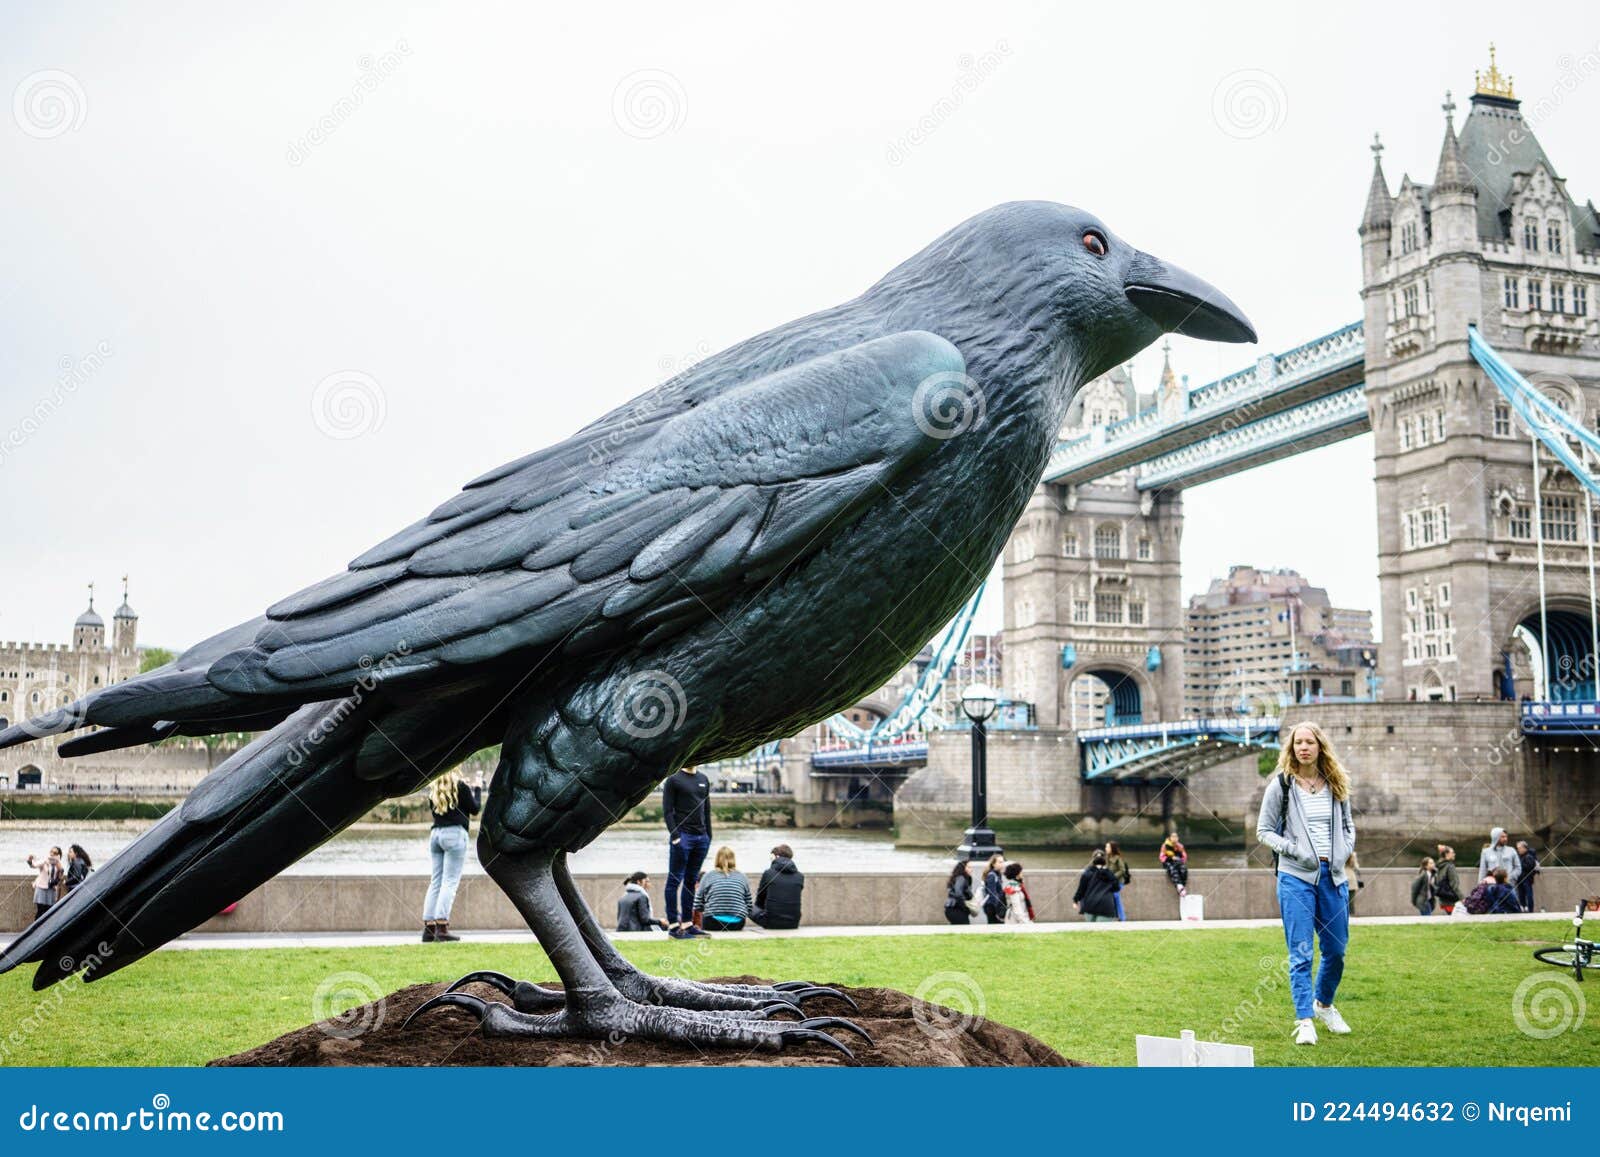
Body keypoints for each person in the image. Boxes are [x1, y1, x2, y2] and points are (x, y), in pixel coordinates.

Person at [1255, 720, 1356, 1047]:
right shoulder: (1281, 785)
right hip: (1295, 877)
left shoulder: (1335, 783)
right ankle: (1304, 1020)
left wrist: (1343, 852)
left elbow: (1349, 827)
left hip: (1333, 876)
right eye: (1298, 742)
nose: (1303, 747)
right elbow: (1264, 831)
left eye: (1309, 742)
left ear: (1319, 746)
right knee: (1300, 953)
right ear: (1291, 748)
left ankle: (1323, 1005)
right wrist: (1293, 850)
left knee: (1336, 950)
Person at [422, 771, 479, 942]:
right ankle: (442, 926)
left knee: (436, 881)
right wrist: (476, 788)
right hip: (454, 834)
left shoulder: (434, 788)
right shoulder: (461, 786)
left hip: (436, 835)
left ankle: (429, 928)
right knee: (450, 881)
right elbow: (475, 809)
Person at [662, 765, 714, 939]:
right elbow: (667, 810)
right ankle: (674, 926)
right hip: (683, 837)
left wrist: (709, 836)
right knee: (674, 880)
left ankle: (688, 924)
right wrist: (676, 836)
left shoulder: (704, 779)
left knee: (691, 881)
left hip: (701, 838)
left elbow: (707, 810)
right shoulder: (673, 779)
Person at [694, 846, 753, 931]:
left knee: (705, 915)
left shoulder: (708, 876)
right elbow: (749, 906)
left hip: (712, 922)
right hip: (737, 923)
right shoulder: (742, 876)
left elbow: (697, 904)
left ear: (717, 859)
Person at [751, 844, 804, 929]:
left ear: (776, 857)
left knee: (747, 905)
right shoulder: (800, 876)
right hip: (793, 923)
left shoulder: (768, 873)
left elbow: (760, 899)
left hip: (771, 923)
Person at [1073, 849, 1119, 922]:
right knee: (1102, 930)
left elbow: (1081, 890)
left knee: (1091, 930)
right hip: (1106, 905)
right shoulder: (1109, 874)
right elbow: (1116, 888)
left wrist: (1075, 900)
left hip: (1089, 904)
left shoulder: (1087, 873)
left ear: (1092, 860)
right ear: (1104, 860)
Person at [25, 848, 63, 921]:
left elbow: (60, 875)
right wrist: (30, 860)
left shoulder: (58, 864)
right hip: (41, 888)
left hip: (51, 889)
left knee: (49, 911)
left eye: (55, 853)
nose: (52, 854)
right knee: (40, 910)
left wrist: (58, 863)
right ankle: (35, 929)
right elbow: (34, 865)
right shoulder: (45, 861)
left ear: (59, 855)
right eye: (51, 851)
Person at [944, 860, 978, 925]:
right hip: (955, 909)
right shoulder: (961, 878)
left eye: (971, 867)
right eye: (969, 867)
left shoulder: (966, 878)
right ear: (963, 868)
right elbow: (958, 894)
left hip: (954, 909)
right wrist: (965, 908)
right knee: (965, 929)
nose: (971, 869)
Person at [1105, 840, 1131, 921]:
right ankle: (1117, 916)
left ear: (1112, 848)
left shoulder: (1118, 858)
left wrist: (1113, 876)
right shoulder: (1107, 857)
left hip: (1118, 882)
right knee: (1114, 898)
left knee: (1116, 897)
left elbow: (1122, 870)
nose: (1106, 848)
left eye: (1107, 847)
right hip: (1111, 882)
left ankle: (1122, 917)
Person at [1434, 845, 1462, 915]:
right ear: (1447, 854)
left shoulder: (1439, 865)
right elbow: (1454, 885)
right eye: (1452, 852)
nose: (1454, 854)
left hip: (1443, 899)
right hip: (1451, 900)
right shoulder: (1450, 867)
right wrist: (1462, 898)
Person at [1158, 832, 1188, 898]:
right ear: (1170, 838)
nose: (1174, 838)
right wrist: (1171, 858)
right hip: (1168, 861)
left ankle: (1181, 886)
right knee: (1172, 869)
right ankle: (1179, 886)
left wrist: (1180, 859)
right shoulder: (1165, 845)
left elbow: (1184, 857)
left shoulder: (1180, 846)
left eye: (1176, 837)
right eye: (1173, 837)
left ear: (1178, 838)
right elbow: (1161, 857)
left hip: (1177, 861)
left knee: (1183, 869)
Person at [980, 852, 1007, 923]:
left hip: (994, 906)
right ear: (993, 864)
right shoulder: (992, 876)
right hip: (992, 907)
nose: (1002, 864)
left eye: (1003, 862)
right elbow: (992, 894)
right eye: (1000, 862)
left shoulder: (997, 874)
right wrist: (998, 909)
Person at [1515, 840, 1540, 913]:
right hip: (1520, 879)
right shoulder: (1521, 856)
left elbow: (1530, 867)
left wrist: (1519, 865)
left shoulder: (1528, 856)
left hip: (1526, 879)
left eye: (1519, 848)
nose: (1518, 850)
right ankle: (1523, 907)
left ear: (1524, 848)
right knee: (1521, 895)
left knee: (1528, 895)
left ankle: (1530, 909)